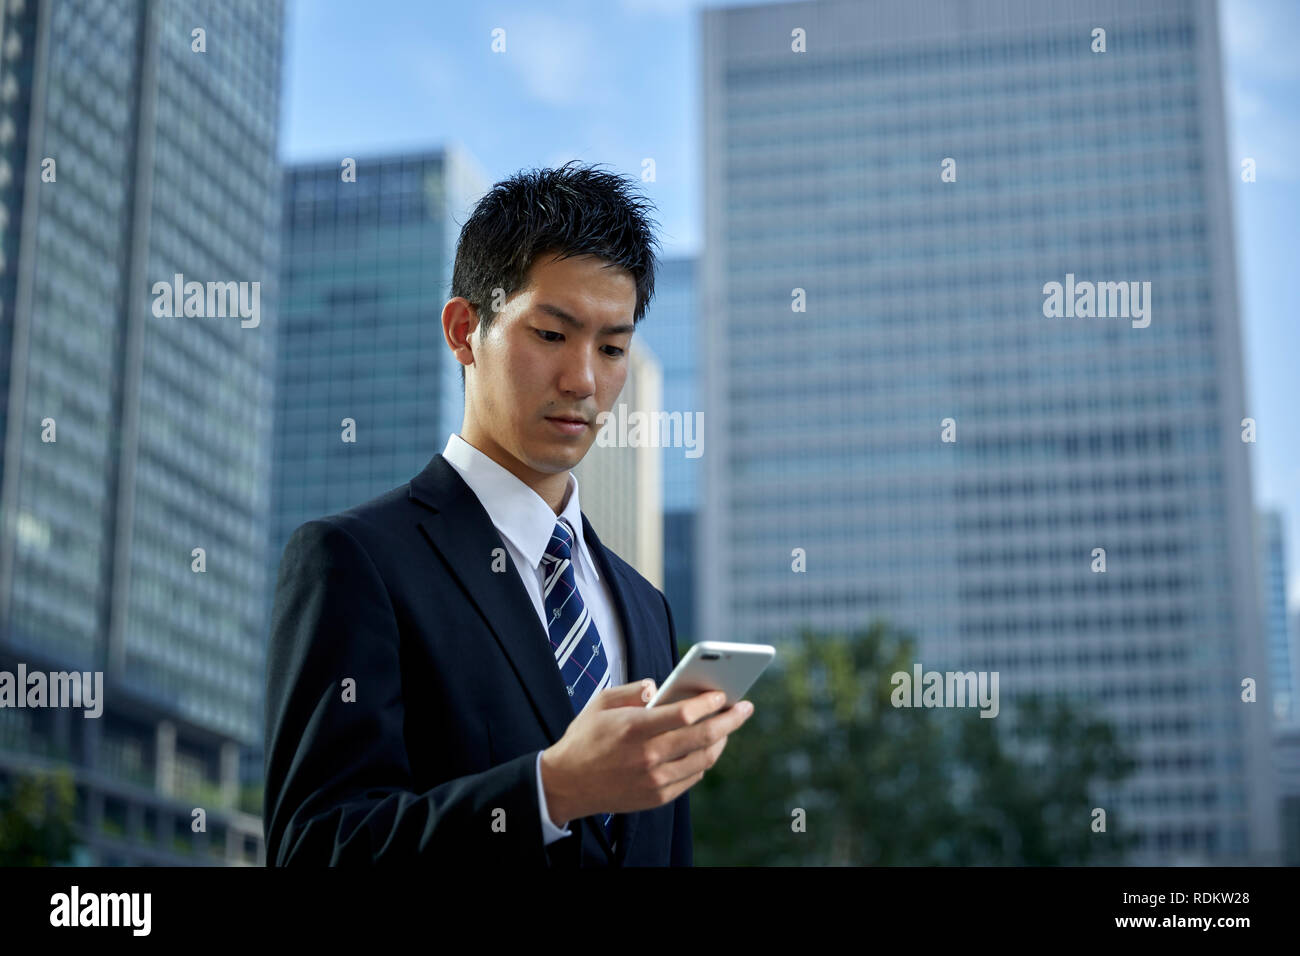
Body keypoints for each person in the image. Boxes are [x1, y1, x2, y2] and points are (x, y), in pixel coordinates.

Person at [263, 161, 754, 866]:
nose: (584, 380)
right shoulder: (355, 562)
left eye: (612, 348)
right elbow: (313, 849)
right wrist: (549, 790)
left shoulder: (646, 609)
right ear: (465, 330)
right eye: (551, 335)